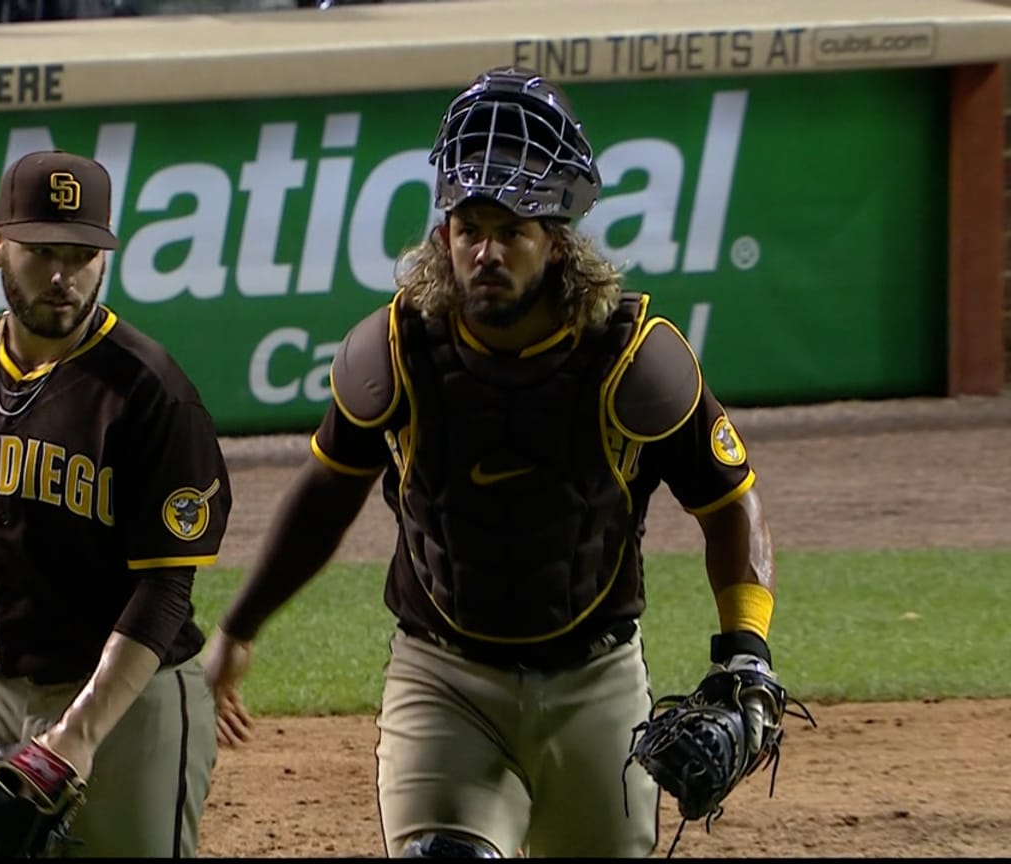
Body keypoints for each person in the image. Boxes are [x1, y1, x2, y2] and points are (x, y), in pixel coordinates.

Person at [203, 66, 786, 858]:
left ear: (556, 240)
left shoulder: (633, 358)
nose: (485, 250)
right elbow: (325, 494)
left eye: (512, 228)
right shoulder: (396, 350)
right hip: (442, 679)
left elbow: (730, 503)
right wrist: (240, 627)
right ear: (443, 229)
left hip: (596, 683)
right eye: (469, 225)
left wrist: (745, 649)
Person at [0, 149, 231, 858]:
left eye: (82, 254)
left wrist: (76, 737)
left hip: (130, 693)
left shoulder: (152, 393)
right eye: (41, 253)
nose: (64, 276)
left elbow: (165, 587)